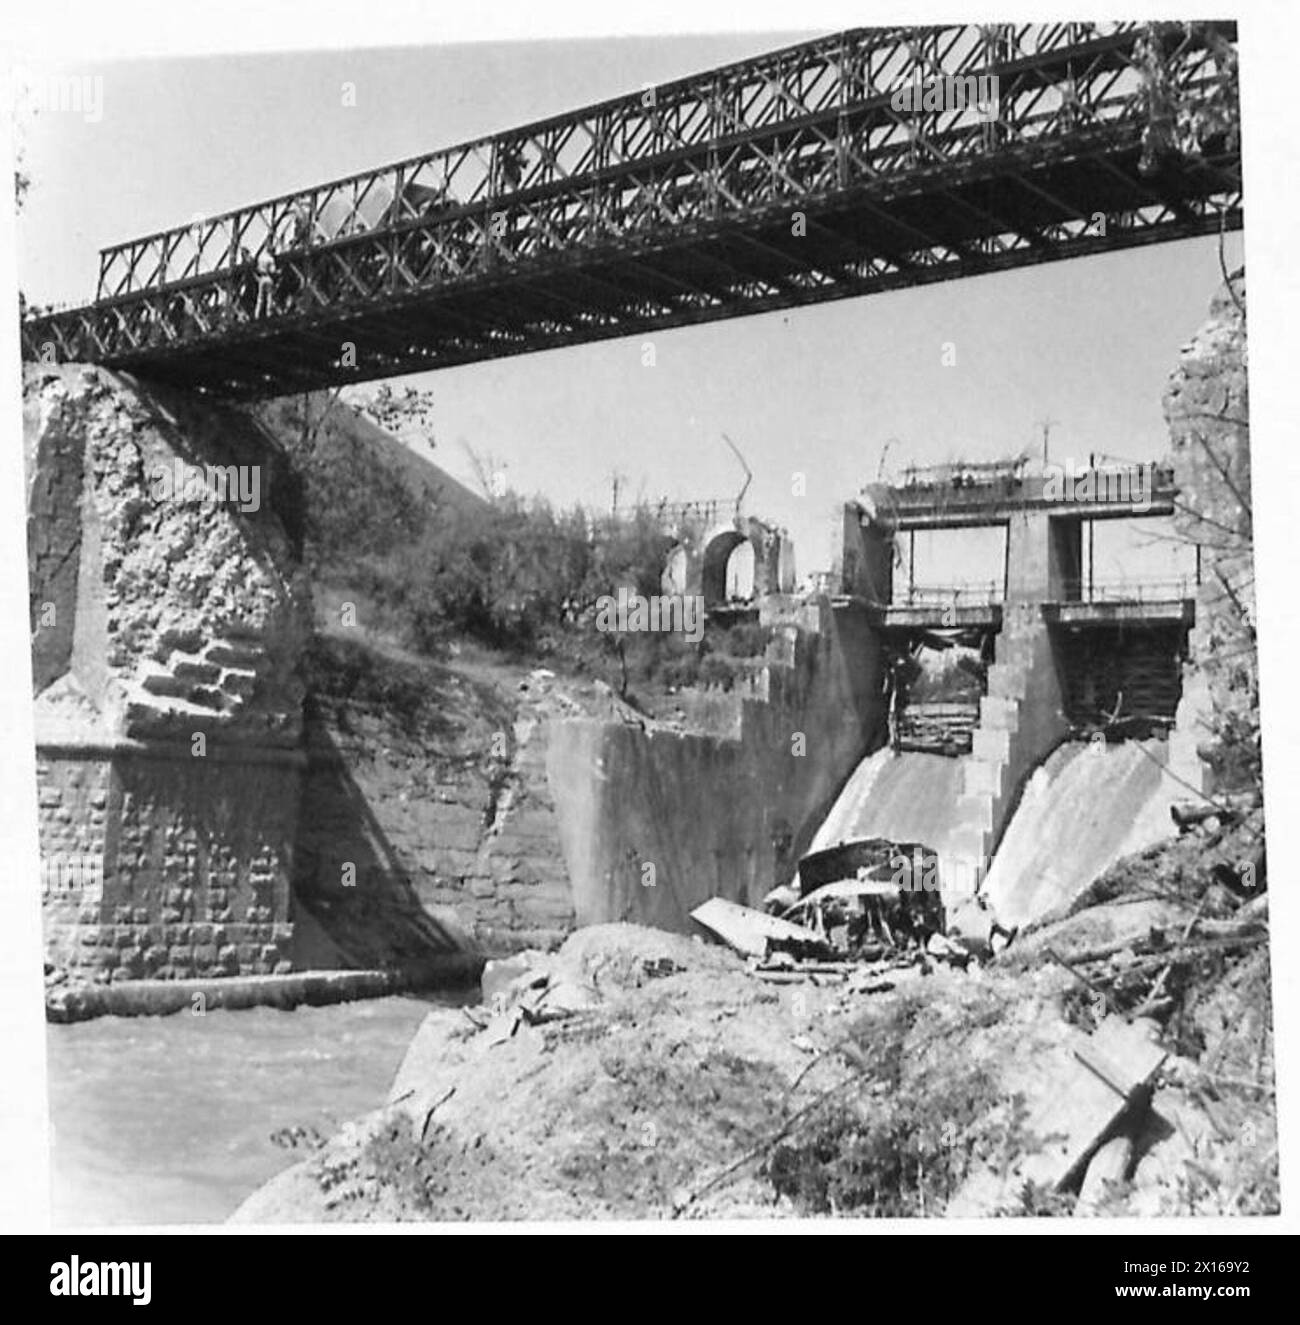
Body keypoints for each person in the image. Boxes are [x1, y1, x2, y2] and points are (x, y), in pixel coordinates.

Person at [254, 245, 276, 318]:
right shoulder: (271, 259)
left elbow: (257, 268)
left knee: (260, 297)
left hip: (261, 279)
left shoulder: (260, 258)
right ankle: (268, 313)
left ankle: (257, 314)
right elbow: (273, 271)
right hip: (268, 278)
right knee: (269, 296)